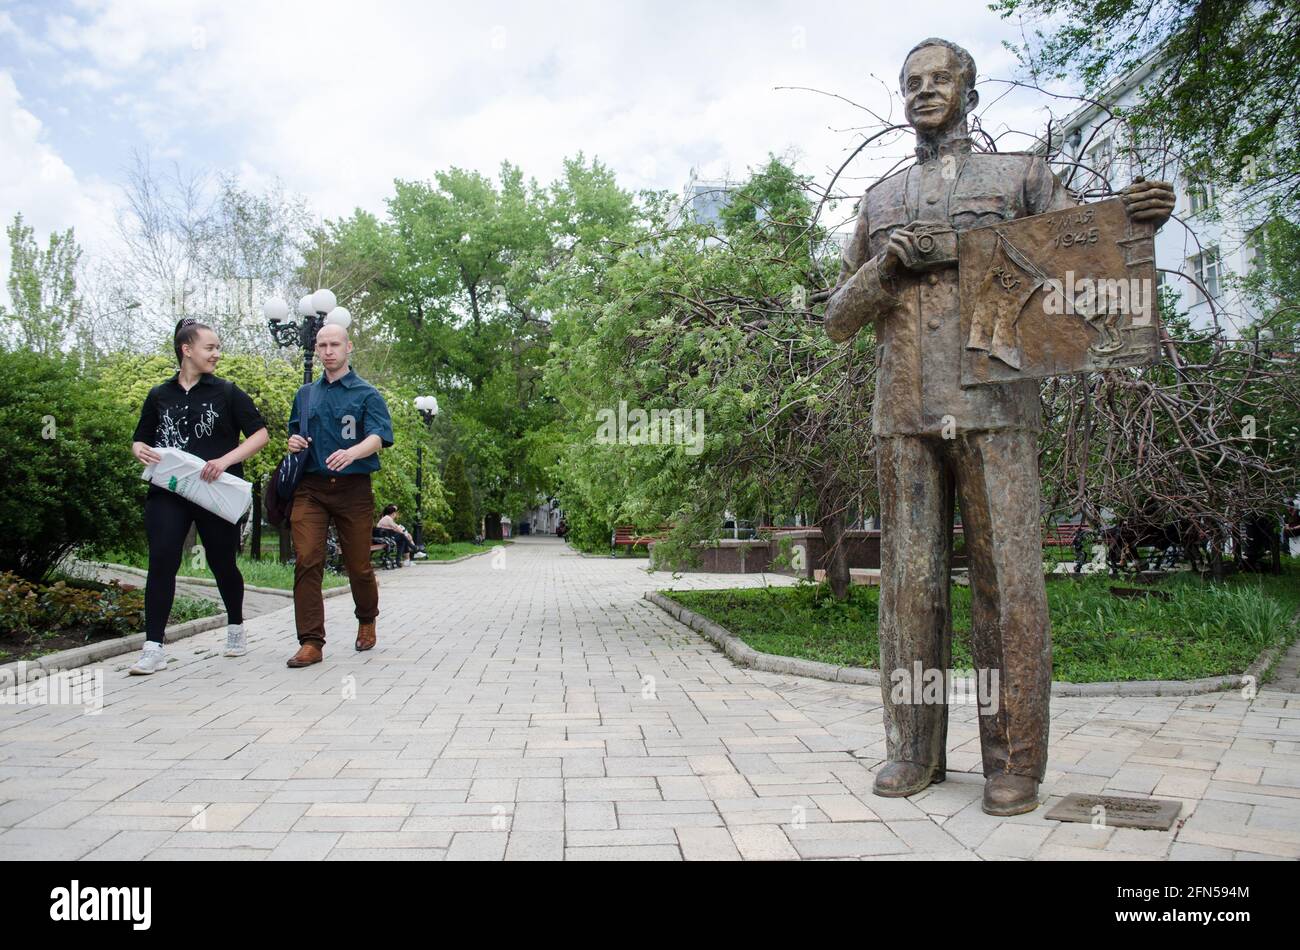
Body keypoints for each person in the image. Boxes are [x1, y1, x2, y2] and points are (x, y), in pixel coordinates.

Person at [823, 38, 1174, 815]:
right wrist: (888, 269)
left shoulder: (1016, 176)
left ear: (969, 94)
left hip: (997, 406)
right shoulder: (879, 200)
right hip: (906, 414)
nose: (923, 91)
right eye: (911, 82)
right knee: (910, 591)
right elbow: (837, 317)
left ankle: (1013, 761)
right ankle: (911, 751)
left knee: (1007, 586)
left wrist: (1138, 221)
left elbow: (1085, 255)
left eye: (939, 79)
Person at [128, 318, 270, 674]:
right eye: (210, 348)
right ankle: (153, 647)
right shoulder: (159, 394)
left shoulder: (226, 392)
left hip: (216, 492)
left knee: (222, 563)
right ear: (186, 350)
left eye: (218, 348)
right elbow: (140, 437)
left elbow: (260, 434)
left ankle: (235, 626)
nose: (217, 354)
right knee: (162, 559)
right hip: (171, 489)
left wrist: (224, 461)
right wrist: (139, 449)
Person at [285, 323, 394, 667]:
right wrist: (294, 442)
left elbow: (379, 436)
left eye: (335, 344)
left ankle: (366, 618)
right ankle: (311, 642)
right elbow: (294, 434)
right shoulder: (305, 395)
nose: (328, 351)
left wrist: (354, 452)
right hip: (311, 489)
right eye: (322, 345)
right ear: (316, 350)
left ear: (349, 347)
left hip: (353, 490)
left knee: (358, 565)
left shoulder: (366, 394)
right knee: (307, 559)